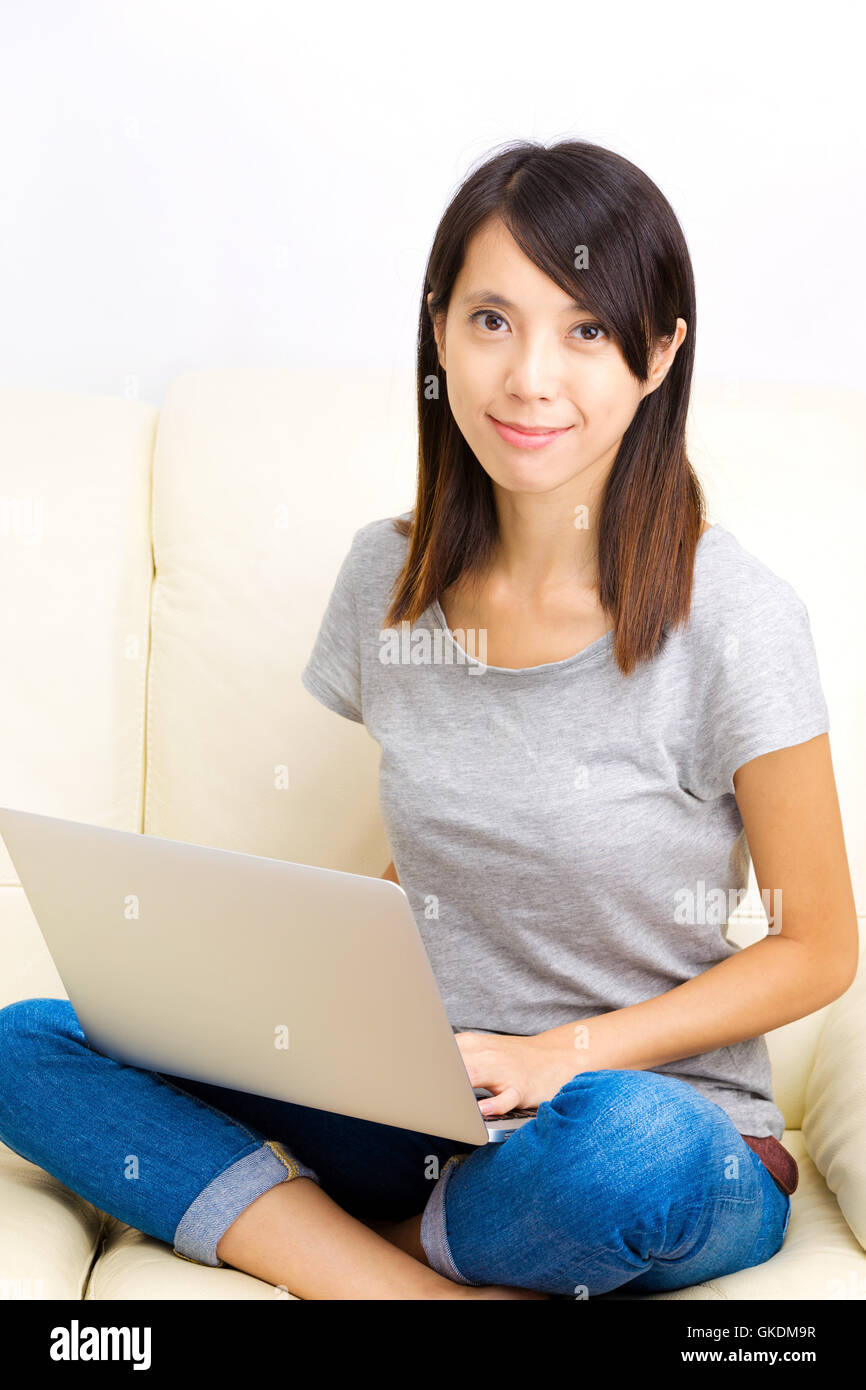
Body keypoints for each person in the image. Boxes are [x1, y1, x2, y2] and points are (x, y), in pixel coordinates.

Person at [0, 139, 857, 1300]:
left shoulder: (735, 616)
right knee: (30, 1043)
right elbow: (443, 856)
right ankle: (416, 1278)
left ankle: (352, 1258)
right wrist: (289, 1006)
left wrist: (559, 1054)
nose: (529, 377)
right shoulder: (385, 581)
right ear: (438, 336)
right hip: (416, 1109)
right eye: (491, 321)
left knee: (630, 1148)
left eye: (586, 330)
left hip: (651, 1122)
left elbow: (819, 945)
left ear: (657, 356)